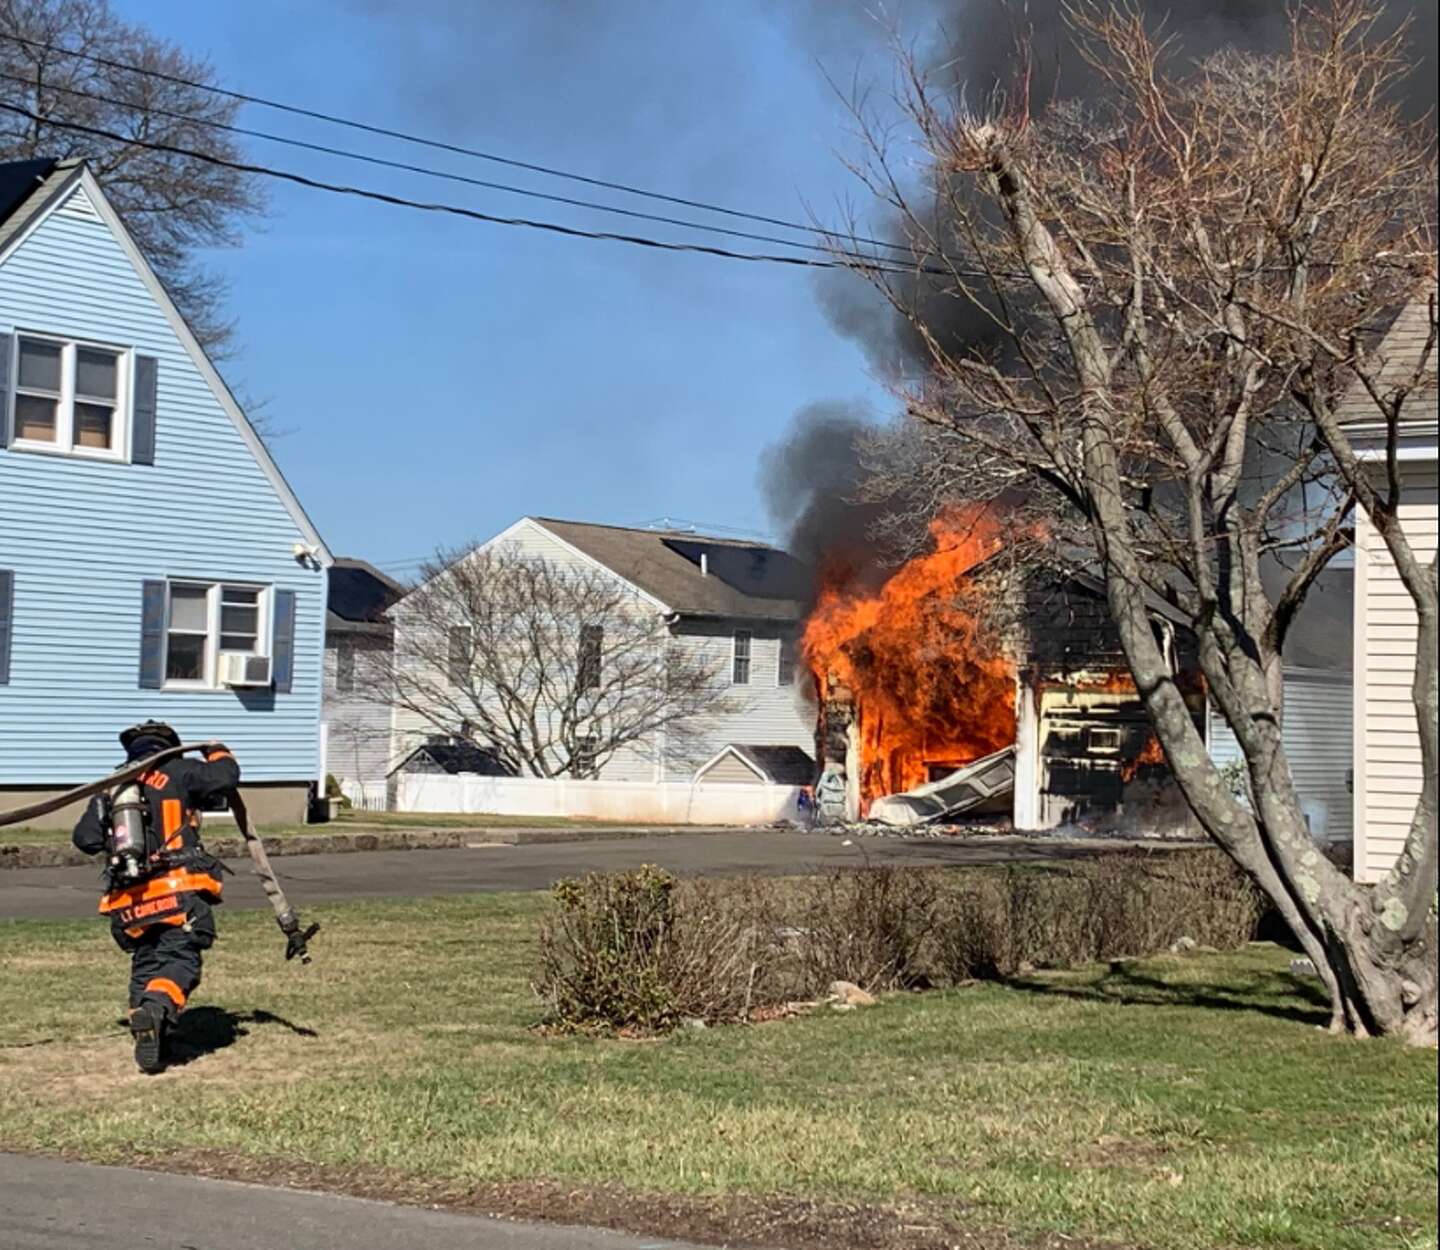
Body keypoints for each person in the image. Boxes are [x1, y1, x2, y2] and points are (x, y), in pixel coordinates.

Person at [72, 721, 239, 1074]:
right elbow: (224, 777)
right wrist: (215, 748)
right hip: (177, 892)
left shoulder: (112, 788)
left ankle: (150, 1029)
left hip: (129, 905)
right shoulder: (179, 770)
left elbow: (85, 839)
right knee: (181, 960)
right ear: (170, 746)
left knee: (146, 964)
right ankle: (157, 1007)